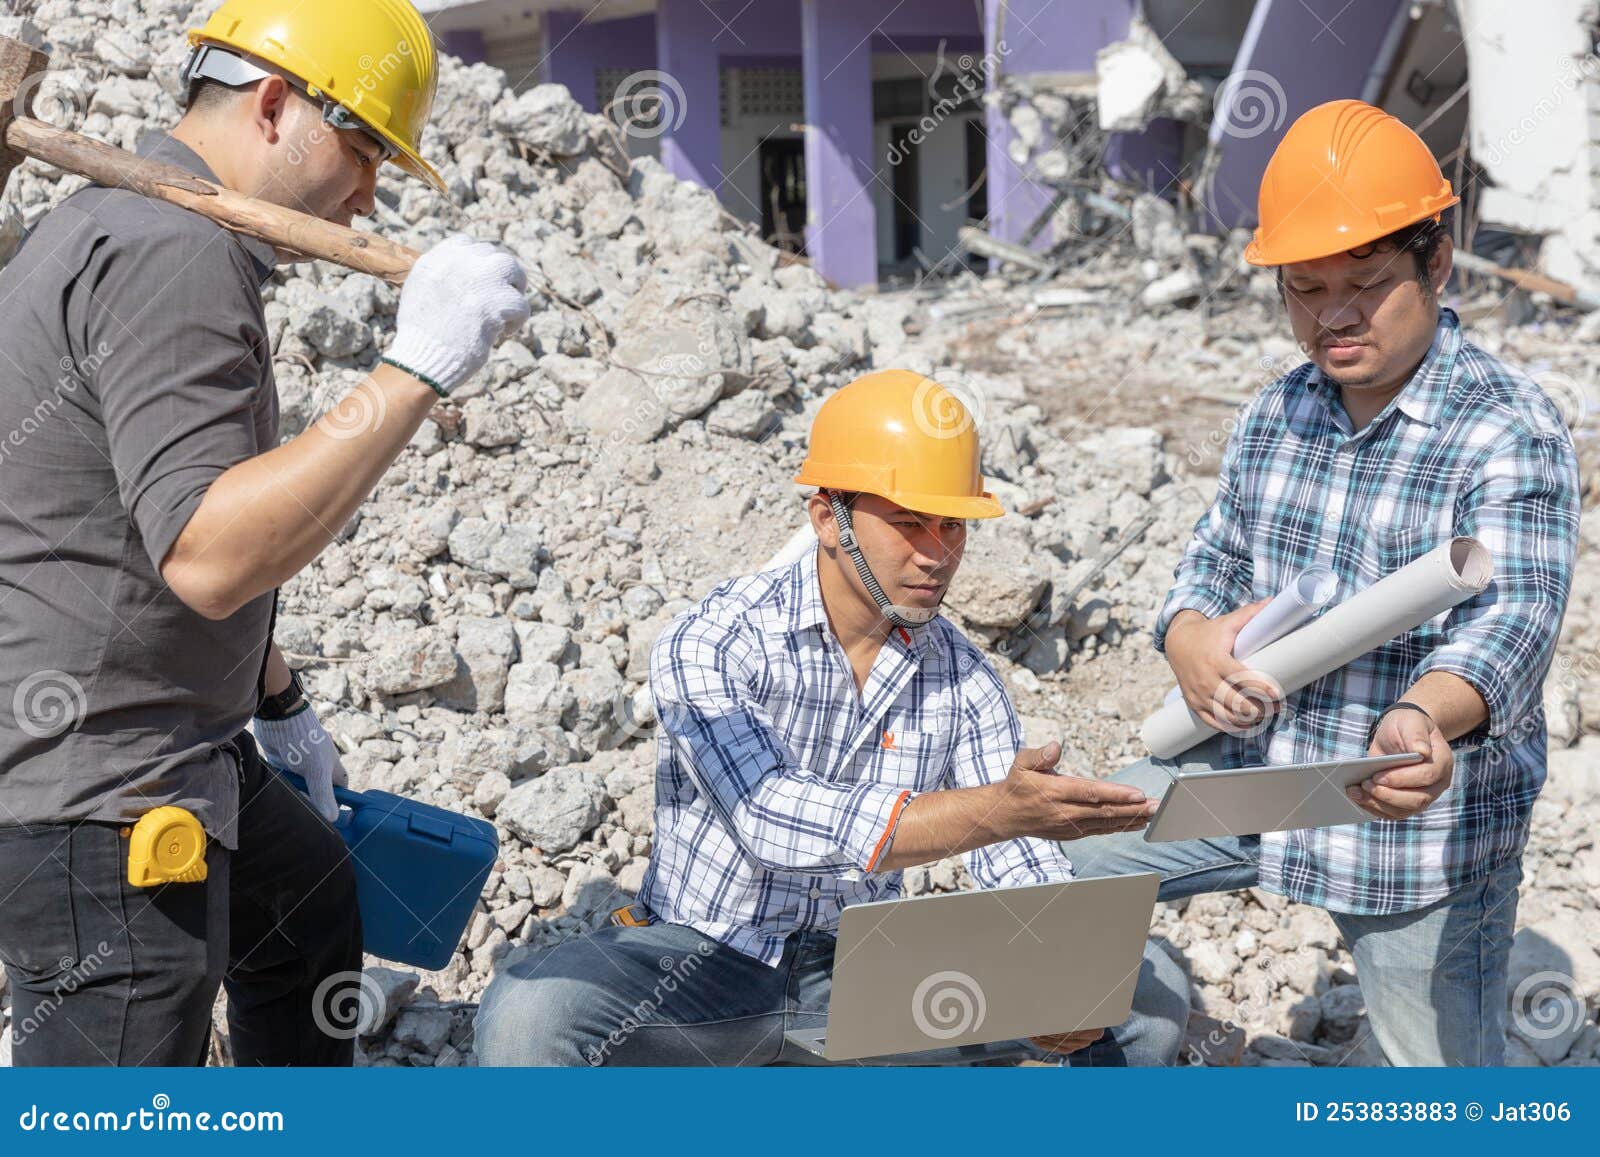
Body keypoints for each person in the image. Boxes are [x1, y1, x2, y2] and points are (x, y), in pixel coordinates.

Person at [0, 0, 528, 1066]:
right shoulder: (169, 254)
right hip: (102, 793)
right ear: (276, 103)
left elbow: (126, 521)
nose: (368, 191)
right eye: (367, 149)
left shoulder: (124, 226)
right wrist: (415, 368)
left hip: (175, 741)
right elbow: (206, 552)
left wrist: (278, 700)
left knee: (308, 904)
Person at [475, 370, 1190, 1067]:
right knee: (528, 1017)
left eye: (952, 526)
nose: (936, 555)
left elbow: (1015, 855)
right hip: (701, 963)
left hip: (865, 969)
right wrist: (997, 811)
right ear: (828, 518)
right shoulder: (718, 639)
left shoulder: (964, 677)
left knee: (1139, 1001)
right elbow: (769, 814)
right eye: (910, 523)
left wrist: (1055, 965)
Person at [1066, 100, 1580, 1066]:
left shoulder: (1507, 427)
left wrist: (1424, 714)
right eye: (1304, 289)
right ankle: (1129, 1039)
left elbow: (1514, 621)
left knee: (1436, 1098)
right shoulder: (1280, 411)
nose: (1332, 315)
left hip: (1408, 817)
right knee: (1057, 861)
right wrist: (1189, 638)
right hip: (1261, 774)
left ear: (1436, 262)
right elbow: (1215, 557)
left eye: (1365, 284)